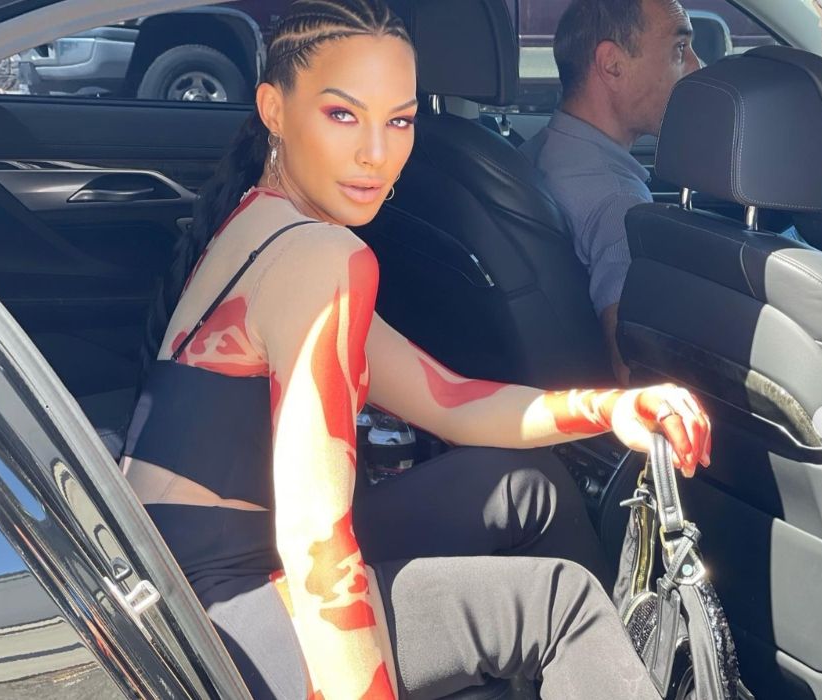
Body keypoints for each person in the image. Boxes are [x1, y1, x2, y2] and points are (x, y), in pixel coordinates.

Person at [121, 0, 711, 697]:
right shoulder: (322, 256)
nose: (376, 153)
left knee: (525, 485)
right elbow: (318, 548)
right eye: (342, 114)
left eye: (399, 120)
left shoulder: (262, 218)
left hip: (185, 568)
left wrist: (612, 408)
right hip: (224, 617)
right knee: (562, 605)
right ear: (274, 110)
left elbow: (451, 401)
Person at [522, 0, 701, 386]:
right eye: (679, 49)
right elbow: (632, 368)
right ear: (612, 65)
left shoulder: (543, 150)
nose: (696, 67)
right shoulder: (617, 203)